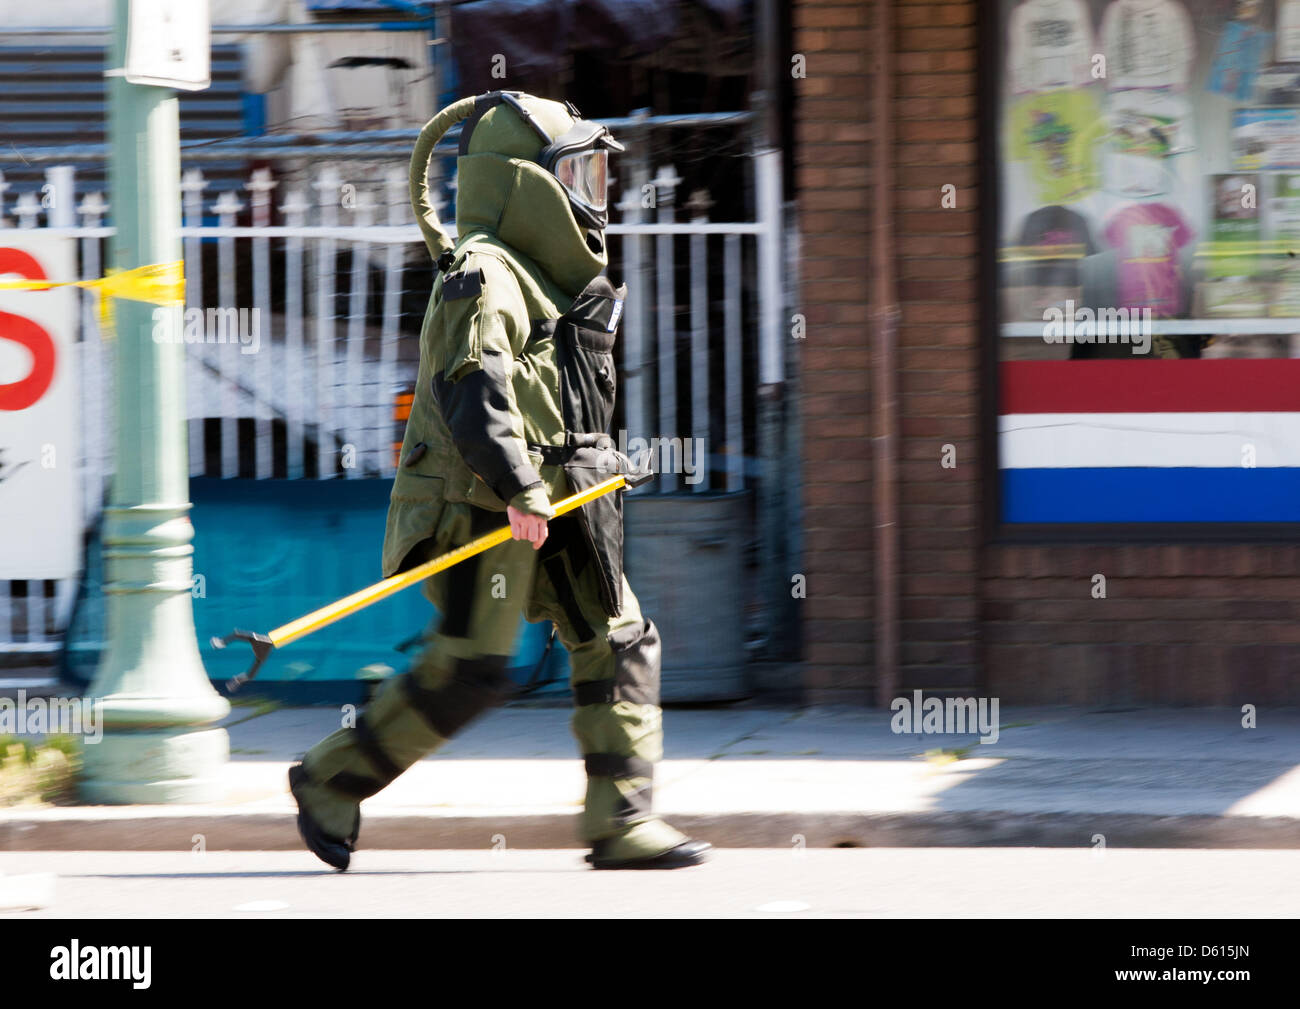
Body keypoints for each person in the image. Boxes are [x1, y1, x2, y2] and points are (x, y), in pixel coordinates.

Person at [288, 91, 712, 872]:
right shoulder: (483, 272)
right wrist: (519, 487)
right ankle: (327, 779)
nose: (596, 192)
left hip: (561, 494)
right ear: (525, 184)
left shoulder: (544, 275)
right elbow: (473, 387)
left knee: (618, 640)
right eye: (578, 173)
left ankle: (621, 822)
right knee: (470, 669)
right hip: (485, 501)